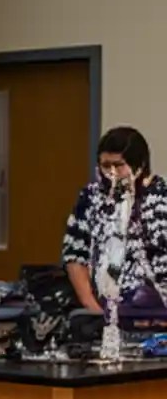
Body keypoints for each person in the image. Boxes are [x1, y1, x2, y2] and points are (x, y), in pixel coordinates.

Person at [62, 126, 167, 313]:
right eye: (105, 166)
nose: (111, 173)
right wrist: (91, 305)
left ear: (139, 165)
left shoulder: (162, 197)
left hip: (154, 312)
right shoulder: (90, 197)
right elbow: (75, 254)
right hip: (101, 307)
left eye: (118, 166)